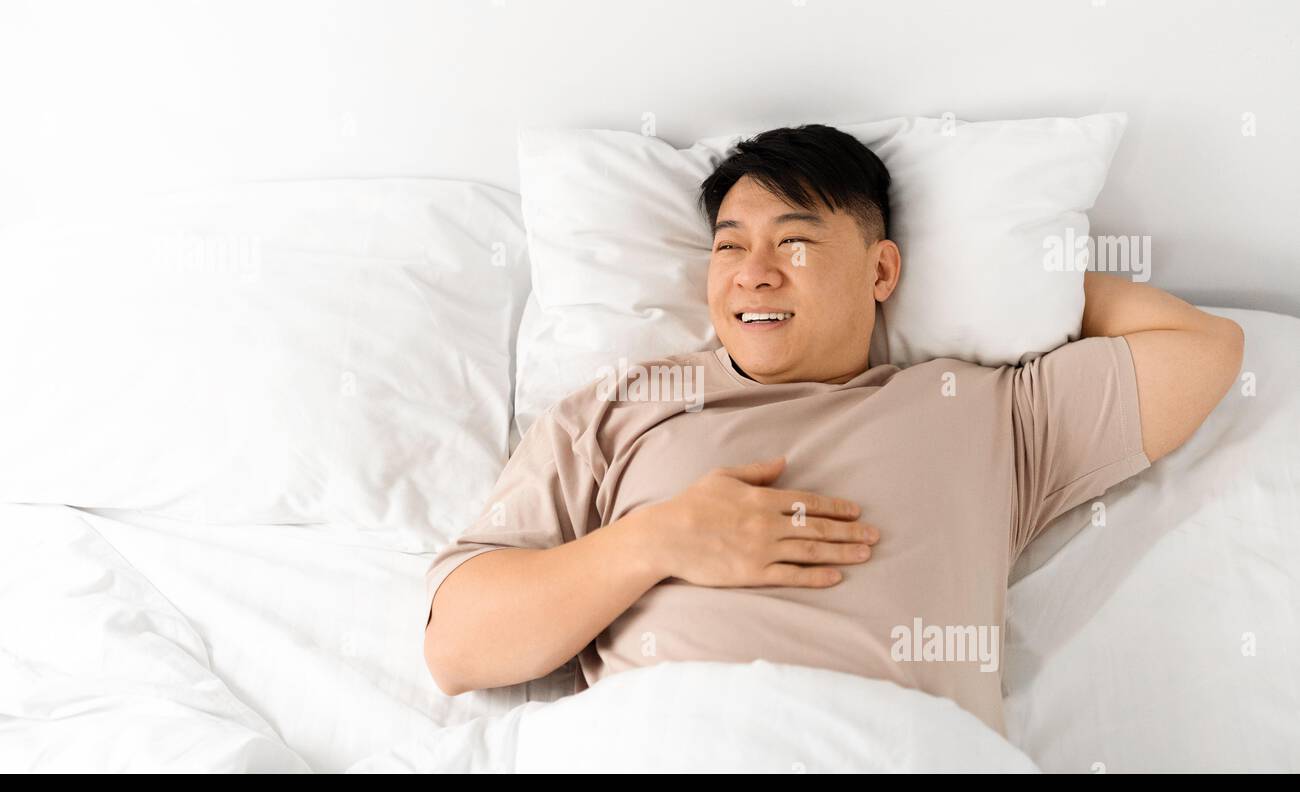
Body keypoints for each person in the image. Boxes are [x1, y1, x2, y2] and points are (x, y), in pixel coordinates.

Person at [422, 124, 1244, 737]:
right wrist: (657, 541)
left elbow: (1203, 351)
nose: (753, 272)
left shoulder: (983, 409)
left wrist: (1034, 284)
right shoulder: (622, 409)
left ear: (882, 270)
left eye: (796, 242)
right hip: (669, 738)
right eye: (730, 246)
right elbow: (458, 646)